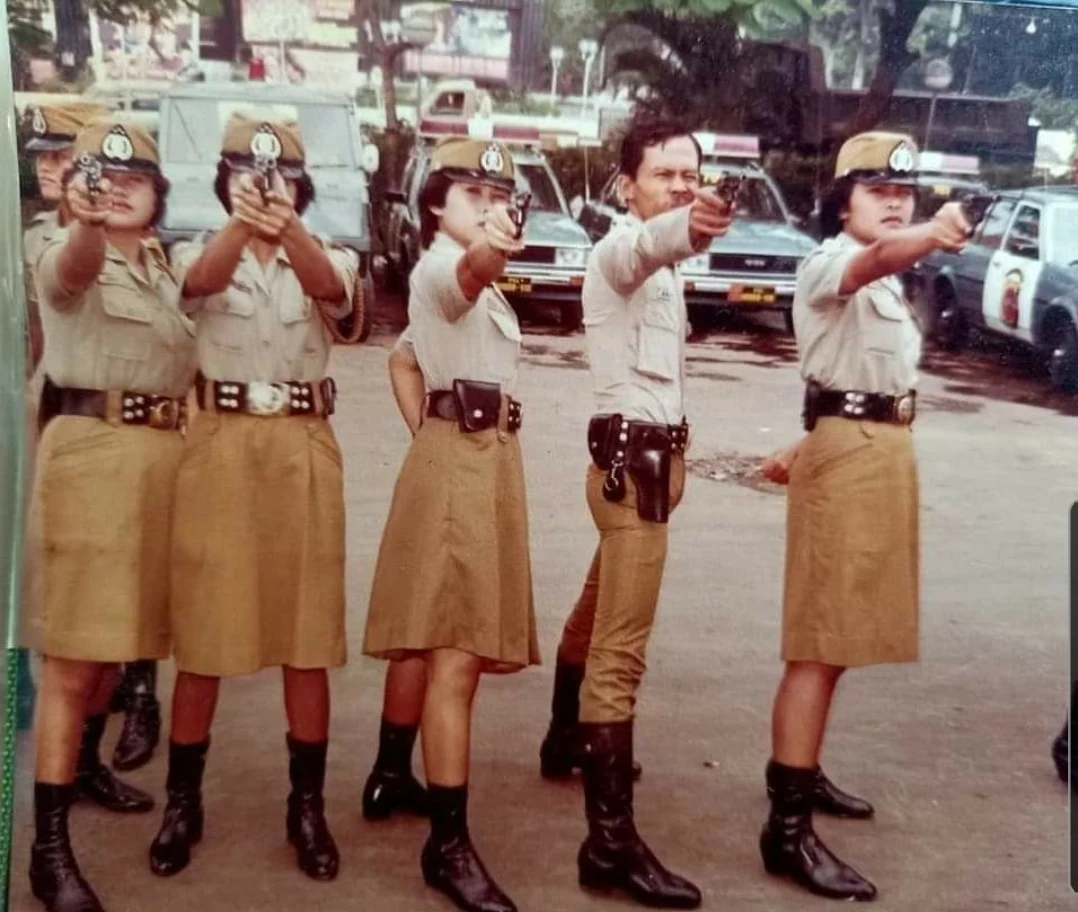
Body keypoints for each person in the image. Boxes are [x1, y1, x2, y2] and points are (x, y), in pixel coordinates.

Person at [758, 132, 970, 902]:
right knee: (818, 643)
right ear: (841, 202)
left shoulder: (884, 279)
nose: (894, 202)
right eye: (877, 190)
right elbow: (873, 262)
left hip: (875, 449)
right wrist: (932, 233)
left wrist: (808, 435)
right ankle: (786, 830)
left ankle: (802, 773)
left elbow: (844, 373)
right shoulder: (832, 263)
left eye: (903, 192)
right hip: (853, 458)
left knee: (841, 636)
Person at [148, 113, 357, 882]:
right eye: (246, 175)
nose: (265, 188)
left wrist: (287, 227)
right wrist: (242, 225)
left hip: (301, 444)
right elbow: (199, 284)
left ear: (302, 188)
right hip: (220, 444)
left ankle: (307, 808)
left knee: (307, 638)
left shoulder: (327, 252)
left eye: (280, 177)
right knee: (204, 636)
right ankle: (183, 802)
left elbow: (333, 291)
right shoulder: (195, 250)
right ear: (223, 184)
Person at [539, 117, 733, 910]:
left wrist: (686, 231)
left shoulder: (664, 271)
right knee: (620, 656)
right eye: (665, 175)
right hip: (634, 475)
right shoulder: (620, 253)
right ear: (627, 187)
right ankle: (608, 845)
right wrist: (690, 225)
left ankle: (563, 737)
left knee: (595, 611)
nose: (682, 186)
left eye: (692, 175)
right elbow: (646, 247)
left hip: (650, 469)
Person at [362, 135, 540, 912]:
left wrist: (425, 432)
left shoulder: (458, 285)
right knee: (457, 655)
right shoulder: (443, 268)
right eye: (474, 195)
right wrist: (490, 252)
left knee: (425, 630)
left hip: (472, 459)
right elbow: (469, 276)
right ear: (436, 205)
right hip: (462, 462)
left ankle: (389, 774)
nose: (491, 207)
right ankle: (448, 846)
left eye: (501, 197)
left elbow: (402, 358)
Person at [26, 117, 195, 912]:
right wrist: (87, 224)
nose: (117, 187)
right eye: (100, 174)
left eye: (135, 178)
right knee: (72, 660)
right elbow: (74, 269)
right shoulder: (64, 249)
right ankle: (48, 852)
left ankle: (87, 766)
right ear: (74, 187)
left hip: (157, 469)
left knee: (113, 649)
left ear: (158, 196)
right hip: (91, 461)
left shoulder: (163, 269)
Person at [18, 101, 109, 734]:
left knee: (106, 570)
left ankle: (134, 695)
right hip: (39, 408)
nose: (48, 168)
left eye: (62, 156)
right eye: (42, 158)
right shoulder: (28, 235)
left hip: (91, 418)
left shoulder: (119, 233)